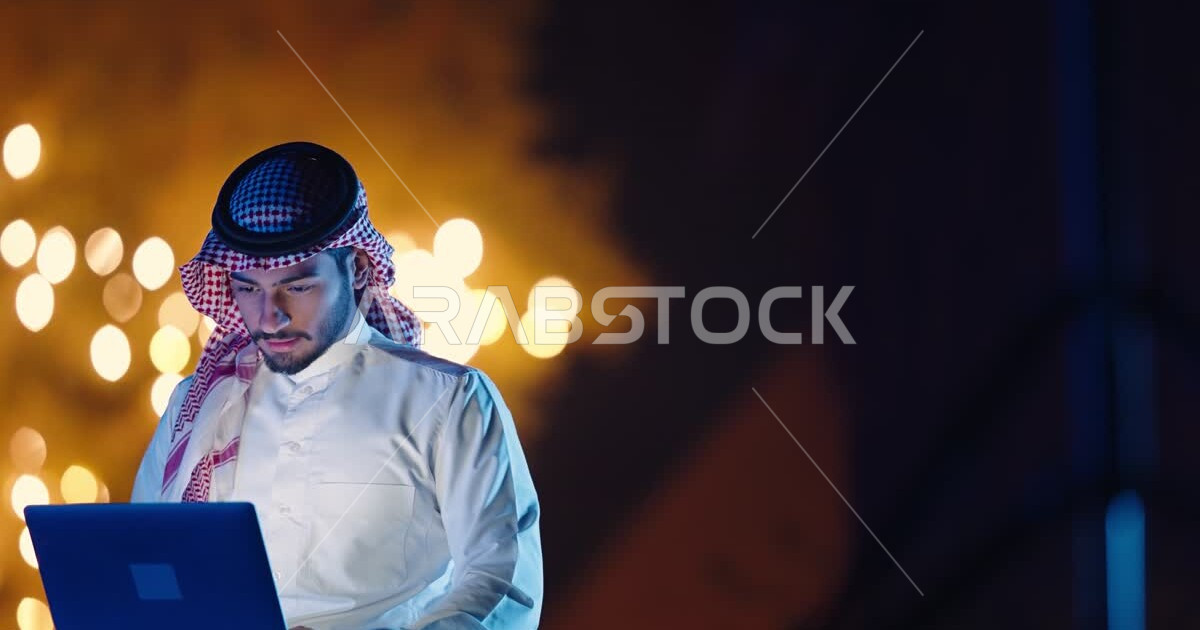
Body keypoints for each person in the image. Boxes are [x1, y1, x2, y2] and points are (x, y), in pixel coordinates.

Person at [131, 141, 542, 630]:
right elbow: (145, 559)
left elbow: (500, 583)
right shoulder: (196, 409)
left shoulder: (449, 399)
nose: (271, 316)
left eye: (297, 286)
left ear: (360, 270)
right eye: (248, 289)